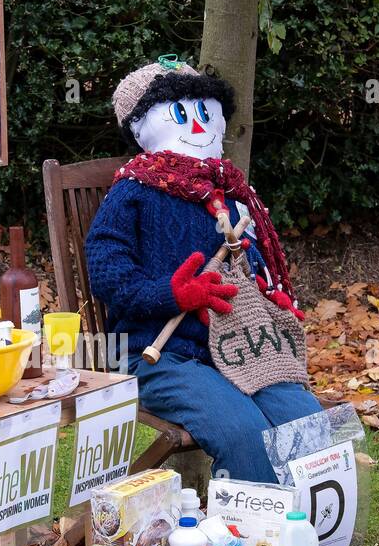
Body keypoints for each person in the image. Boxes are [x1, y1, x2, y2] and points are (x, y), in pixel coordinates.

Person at [85, 58, 318, 485]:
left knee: (308, 425)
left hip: (238, 347)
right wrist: (171, 296)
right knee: (246, 433)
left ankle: (317, 540)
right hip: (156, 352)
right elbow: (107, 274)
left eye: (205, 111)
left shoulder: (229, 192)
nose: (198, 126)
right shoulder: (132, 193)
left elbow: (252, 261)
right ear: (141, 126)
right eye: (180, 113)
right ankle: (255, 544)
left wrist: (266, 289)